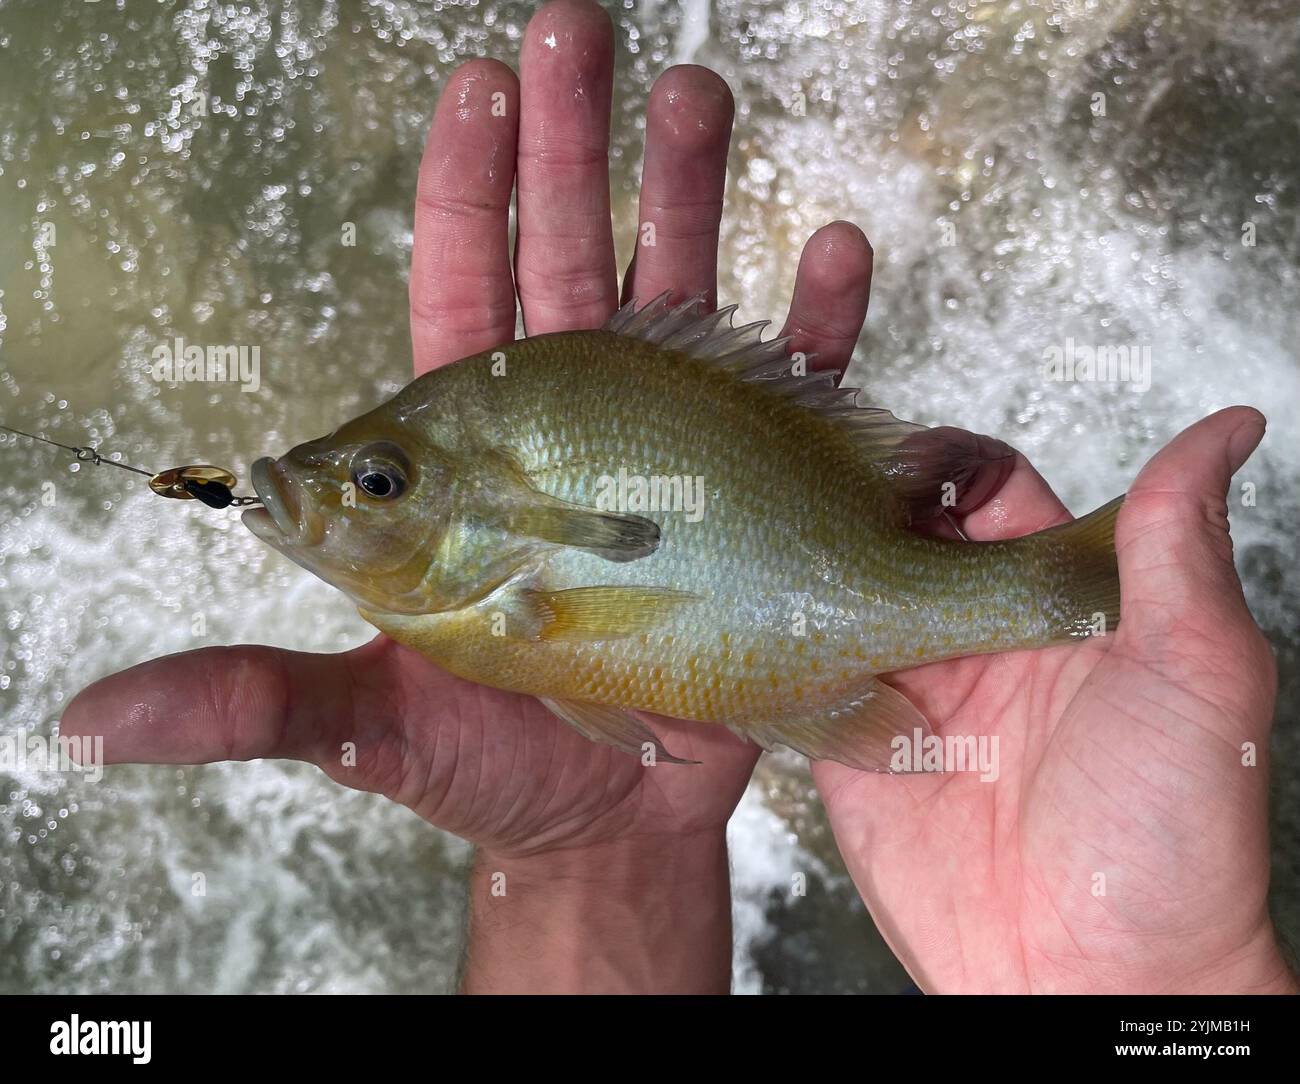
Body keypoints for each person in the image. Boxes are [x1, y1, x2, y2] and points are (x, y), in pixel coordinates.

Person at [62, 0, 1295, 995]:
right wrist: (583, 864)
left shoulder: (498, 616)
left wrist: (1145, 967)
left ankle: (1058, 591)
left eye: (381, 482)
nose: (343, 495)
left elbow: (614, 637)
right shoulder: (489, 618)